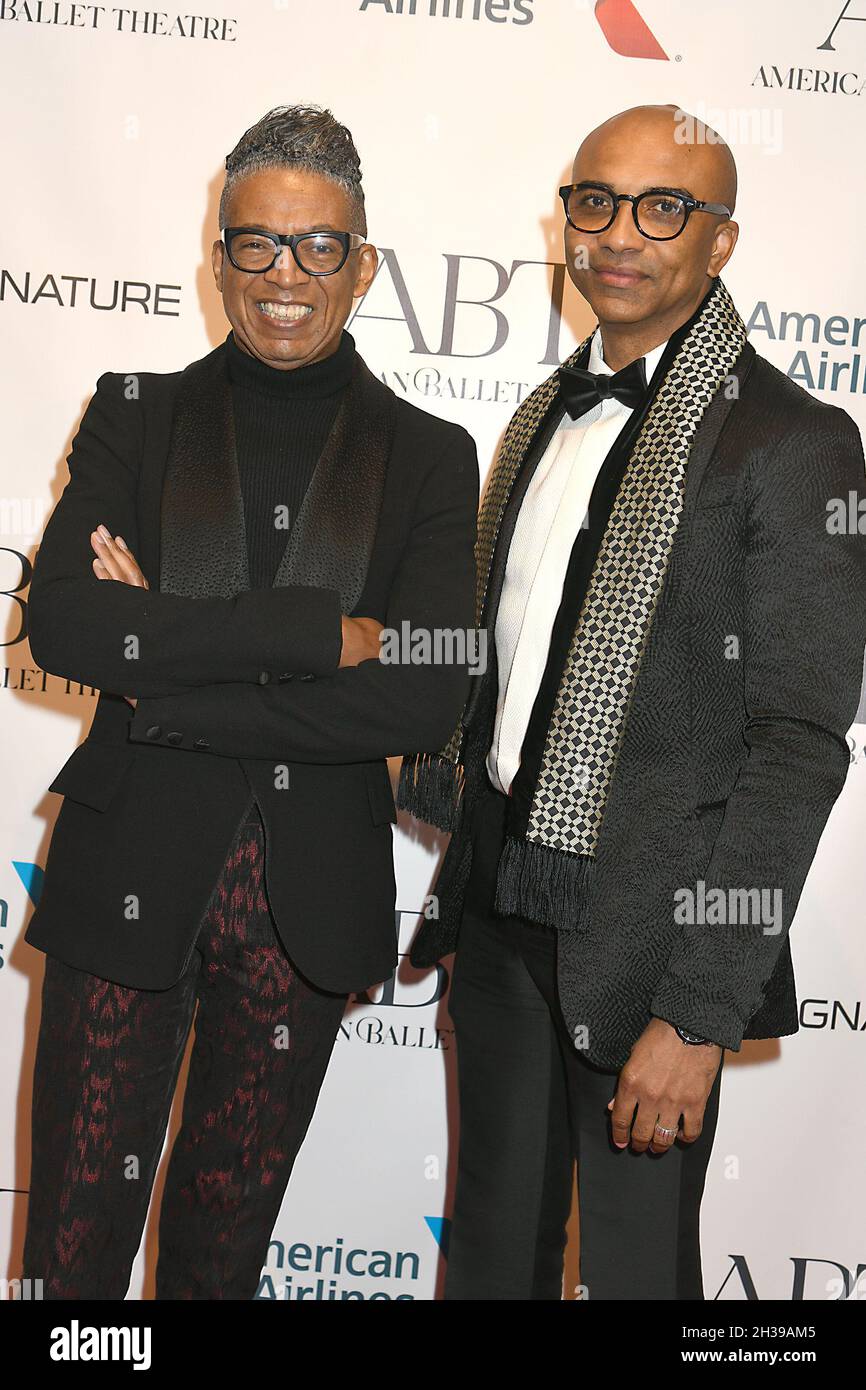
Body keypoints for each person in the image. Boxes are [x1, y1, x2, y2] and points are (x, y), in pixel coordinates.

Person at [399, 104, 866, 1300]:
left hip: (657, 948)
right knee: (490, 1258)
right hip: (504, 905)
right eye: (594, 201)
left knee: (631, 1274)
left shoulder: (790, 442)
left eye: (663, 208)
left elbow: (797, 747)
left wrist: (699, 1013)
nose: (618, 234)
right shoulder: (536, 420)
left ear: (720, 241)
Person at [22, 104, 478, 1300]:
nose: (285, 275)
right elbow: (66, 620)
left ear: (363, 263)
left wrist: (161, 678)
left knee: (219, 1265)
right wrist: (311, 635)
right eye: (257, 244)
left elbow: (420, 695)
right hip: (124, 873)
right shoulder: (137, 409)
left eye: (319, 246)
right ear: (216, 256)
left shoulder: (431, 454)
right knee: (70, 1256)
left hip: (306, 900)